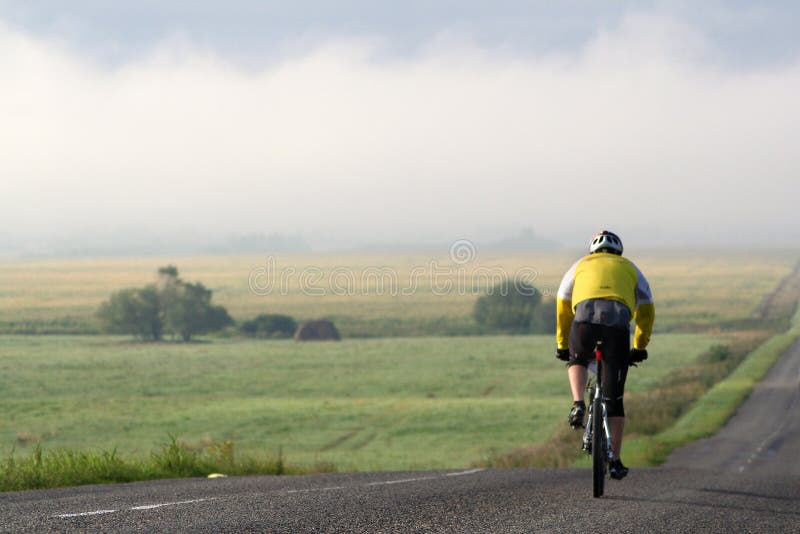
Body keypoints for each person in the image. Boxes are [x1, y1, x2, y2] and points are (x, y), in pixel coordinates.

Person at [555, 230, 654, 480]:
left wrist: (562, 344)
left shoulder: (579, 265)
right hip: (617, 329)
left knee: (576, 358)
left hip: (584, 324)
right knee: (614, 400)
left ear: (592, 251)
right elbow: (647, 310)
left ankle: (578, 403)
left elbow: (563, 303)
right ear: (619, 252)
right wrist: (639, 347)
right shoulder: (630, 267)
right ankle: (615, 460)